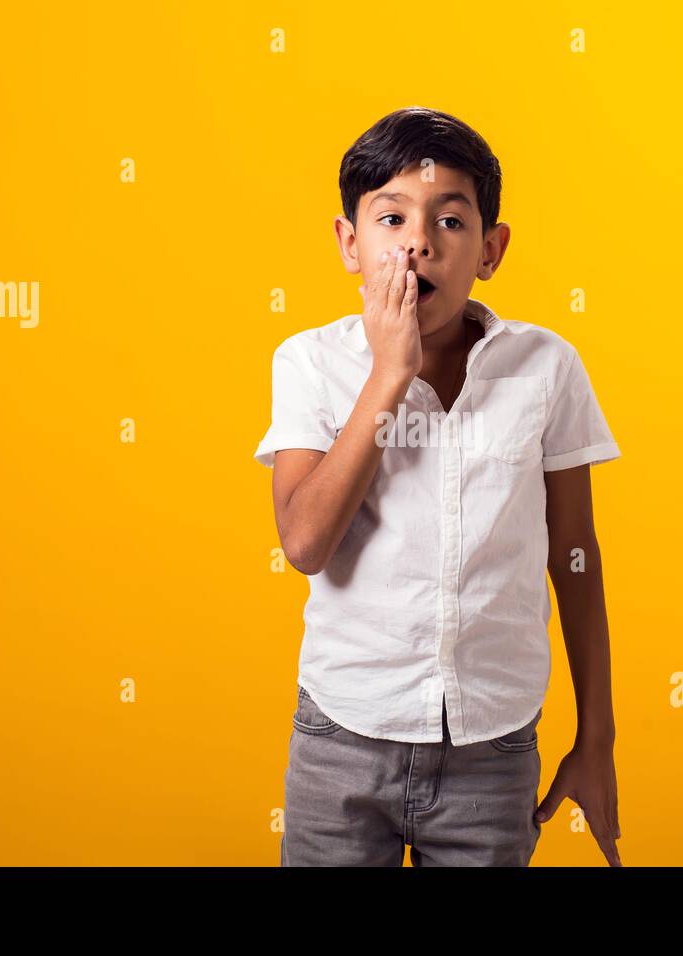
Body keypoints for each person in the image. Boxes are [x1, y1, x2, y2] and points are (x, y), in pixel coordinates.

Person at [254, 106, 623, 866]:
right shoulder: (309, 364)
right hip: (343, 738)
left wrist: (597, 739)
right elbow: (305, 542)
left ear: (490, 250)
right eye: (391, 218)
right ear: (350, 245)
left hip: (490, 751)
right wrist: (389, 374)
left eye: (450, 222)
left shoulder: (546, 369)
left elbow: (575, 556)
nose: (419, 241)